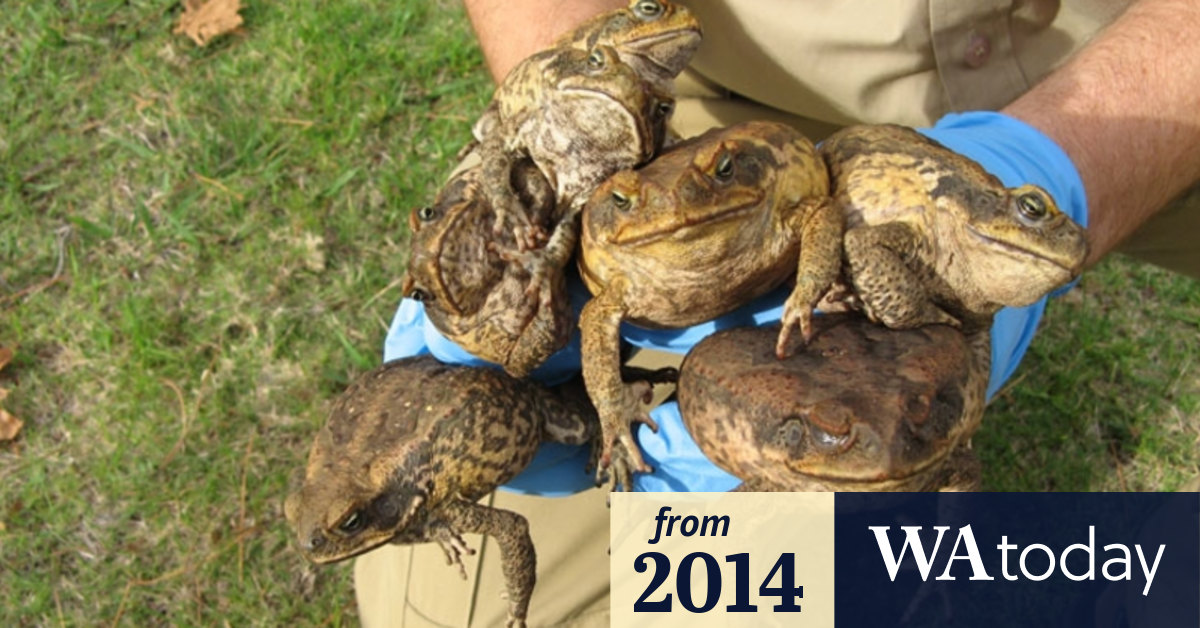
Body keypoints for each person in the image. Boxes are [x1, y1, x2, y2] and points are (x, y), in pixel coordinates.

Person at [354, 1, 1200, 625]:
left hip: (1142, 65)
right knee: (439, 607)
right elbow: (598, 305)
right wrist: (580, 135)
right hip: (736, 126)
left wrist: (1058, 161)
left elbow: (824, 219)